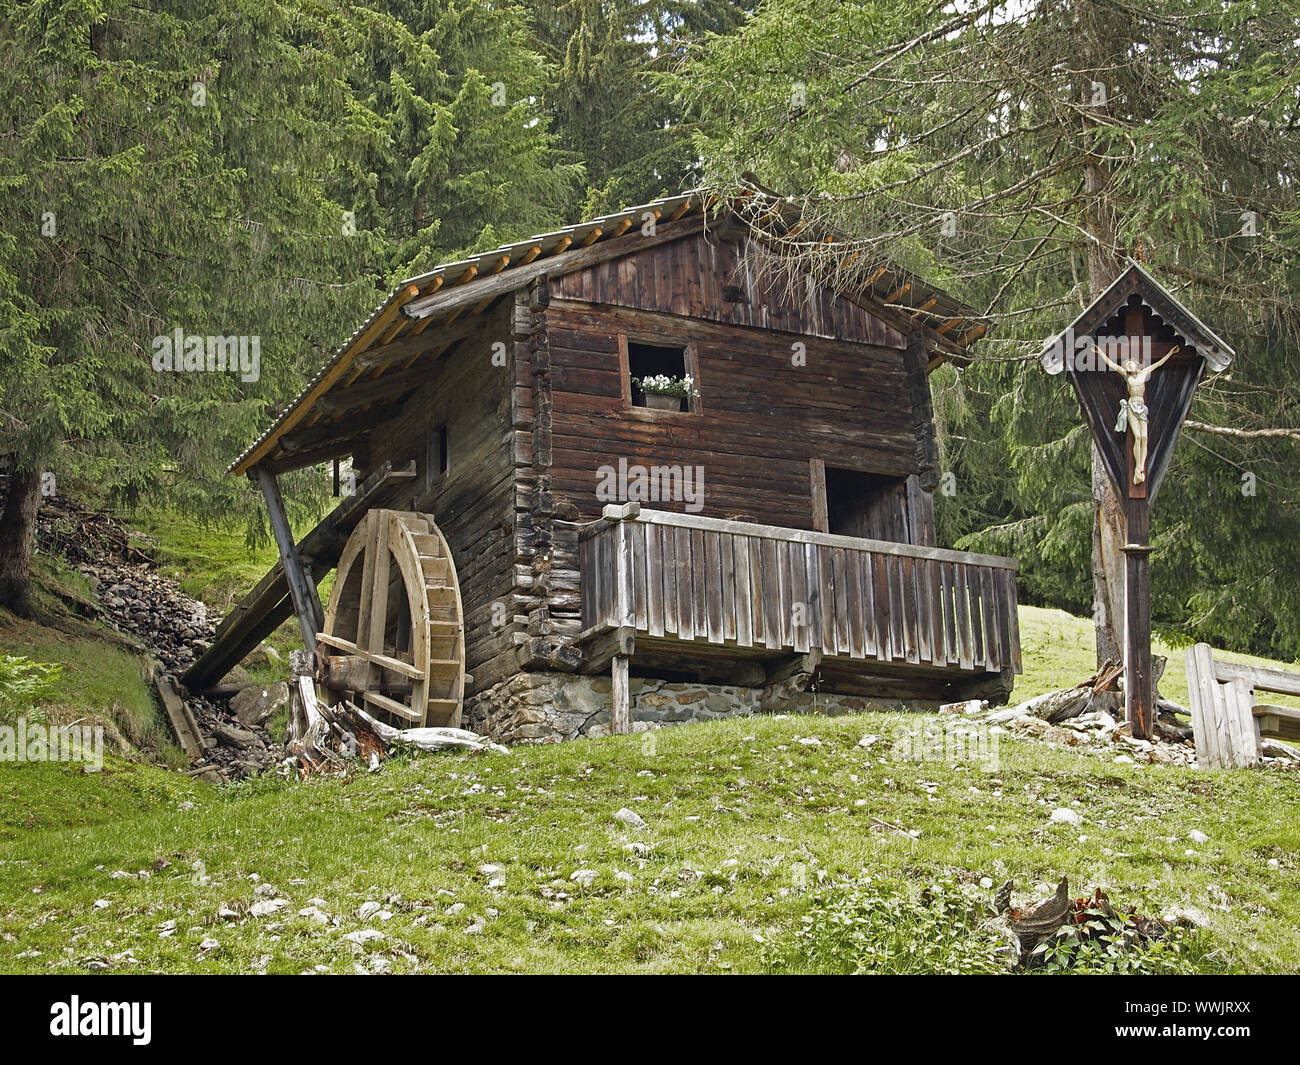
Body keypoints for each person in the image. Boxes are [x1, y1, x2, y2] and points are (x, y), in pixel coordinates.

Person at [1092, 343, 1181, 485]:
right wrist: (1100, 352)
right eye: (1127, 366)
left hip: (1142, 407)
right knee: (1138, 437)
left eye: (1131, 364)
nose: (1129, 367)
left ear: (1136, 365)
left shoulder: (1144, 373)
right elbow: (1112, 364)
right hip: (1132, 407)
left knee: (1145, 437)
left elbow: (1158, 364)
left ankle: (1140, 467)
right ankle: (1136, 471)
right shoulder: (1127, 377)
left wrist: (1170, 353)